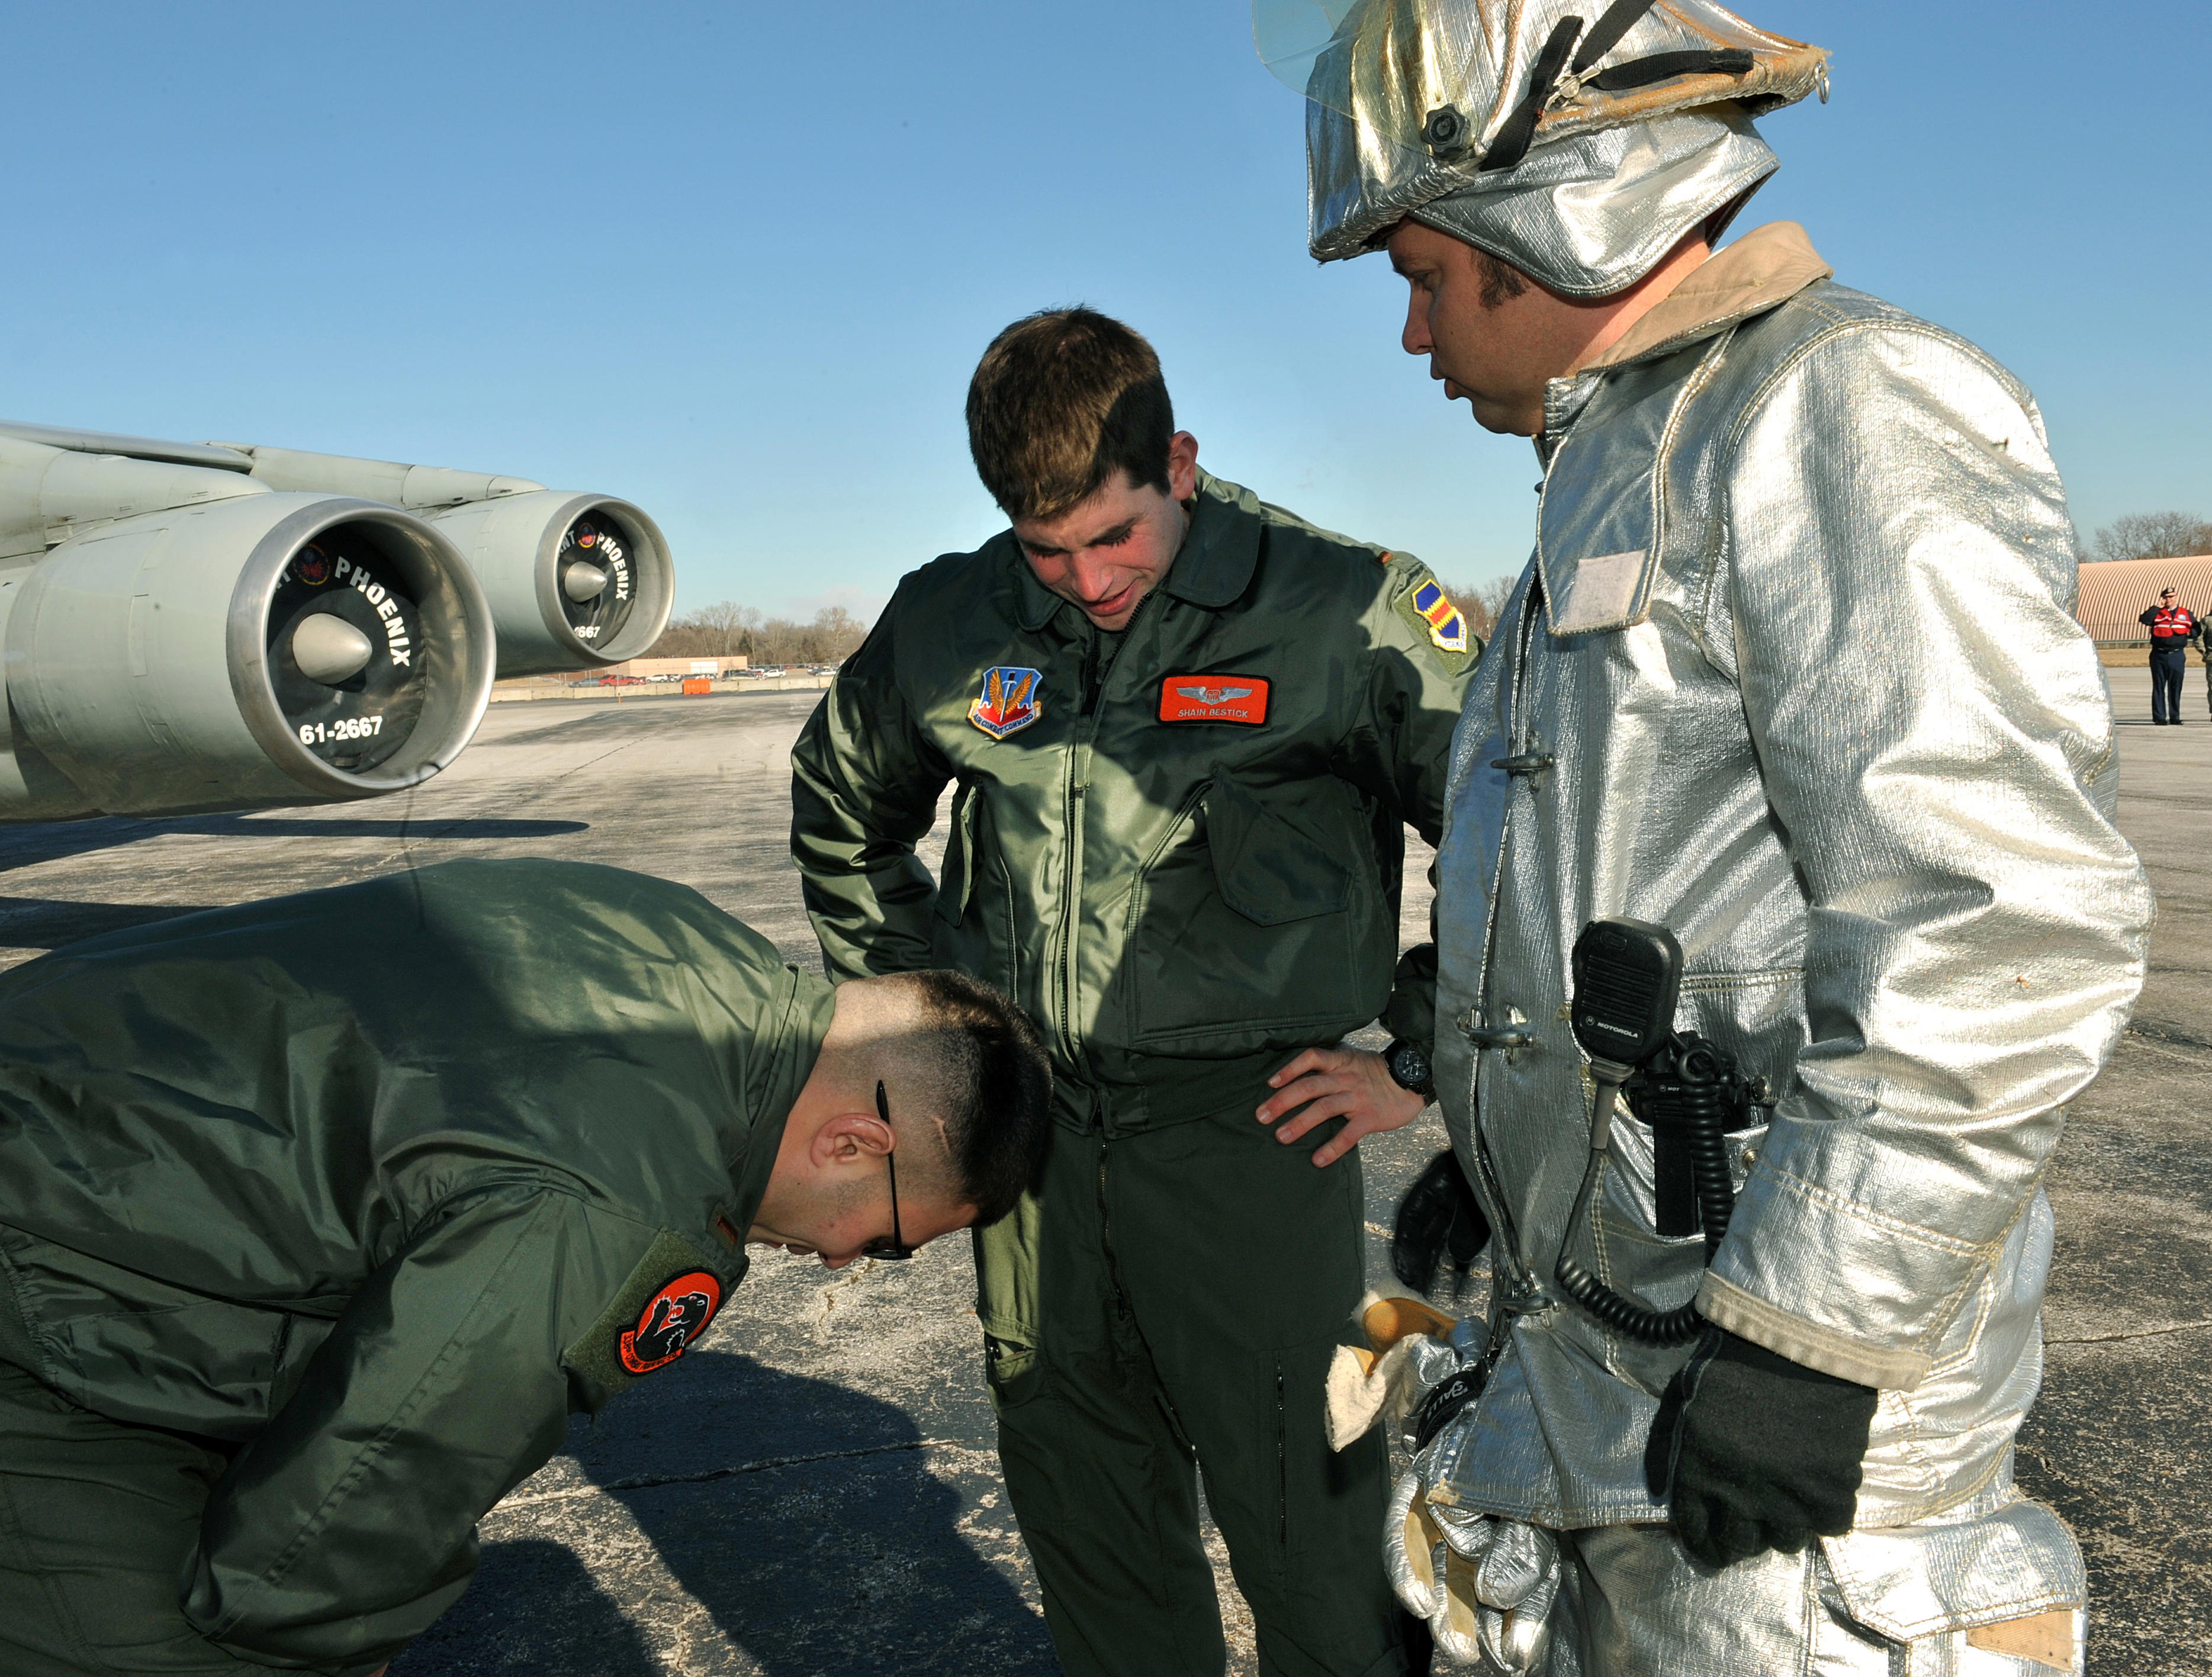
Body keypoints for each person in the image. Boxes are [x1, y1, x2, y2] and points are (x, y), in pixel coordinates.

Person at [1265, 1, 2155, 1671]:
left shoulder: (1842, 409)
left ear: (1540, 229)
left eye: (1423, 275)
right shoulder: (1627, 458)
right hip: (1618, 1371)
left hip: (1782, 1427)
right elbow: (1651, 889)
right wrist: (1506, 1123)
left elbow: (1998, 922)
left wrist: (1818, 1337)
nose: (1412, 332)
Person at [790, 307, 1477, 1676]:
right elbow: (841, 802)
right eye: (1048, 548)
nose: (1087, 579)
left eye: (1115, 535)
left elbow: (1518, 828)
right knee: (1090, 1530)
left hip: (1253, 1141)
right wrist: (924, 1029)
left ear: (1179, 460)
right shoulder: (953, 615)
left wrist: (1414, 1053)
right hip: (1036, 1151)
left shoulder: (1340, 606)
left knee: (1318, 1536)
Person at [0, 856, 1051, 1677]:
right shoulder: (630, 1202)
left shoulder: (686, 942)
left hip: (85, 1155)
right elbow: (365, 1491)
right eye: (883, 1240)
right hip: (52, 1279)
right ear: (855, 1146)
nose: (835, 1258)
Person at [2140, 585, 2198, 723]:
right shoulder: (2157, 613)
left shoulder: (2186, 614)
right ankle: (2160, 718)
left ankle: (2175, 717)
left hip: (2177, 655)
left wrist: (2187, 634)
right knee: (2159, 686)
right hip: (2159, 655)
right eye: (2166, 597)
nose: (2169, 599)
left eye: (2171, 597)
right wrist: (2156, 607)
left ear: (2176, 598)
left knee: (2176, 686)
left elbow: (2197, 630)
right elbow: (2145, 620)